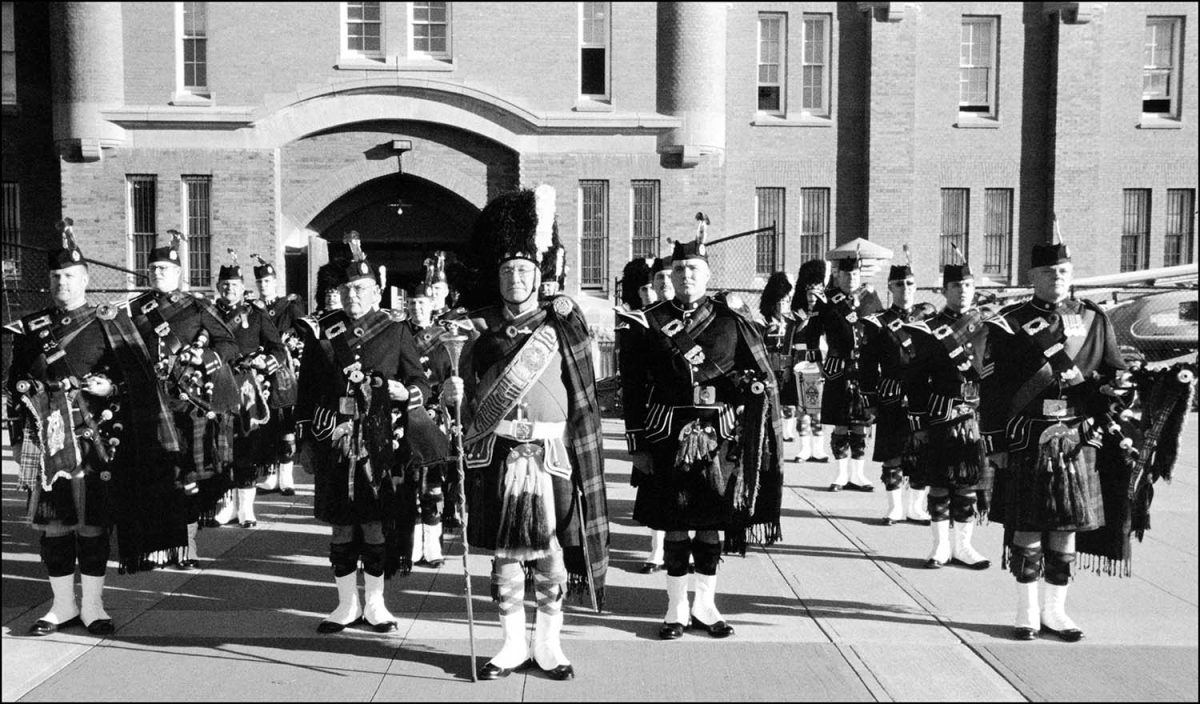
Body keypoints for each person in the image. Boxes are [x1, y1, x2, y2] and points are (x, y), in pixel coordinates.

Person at [441, 185, 609, 681]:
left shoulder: (564, 325)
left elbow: (583, 397)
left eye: (523, 270)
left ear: (539, 274)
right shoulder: (474, 329)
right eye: (507, 271)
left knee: (552, 551)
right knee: (505, 555)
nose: (515, 279)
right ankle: (512, 644)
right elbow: (461, 399)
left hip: (552, 453)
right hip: (498, 451)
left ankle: (549, 644)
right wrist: (452, 394)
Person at [7, 221, 186, 635]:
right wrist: (19, 437)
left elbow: (141, 381)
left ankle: (93, 606)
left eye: (70, 276)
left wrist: (111, 387)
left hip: (96, 442)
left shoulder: (108, 322)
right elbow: (13, 387)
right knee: (54, 526)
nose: (62, 283)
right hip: (48, 444)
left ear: (85, 280)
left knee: (92, 525)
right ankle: (62, 606)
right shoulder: (30, 330)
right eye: (56, 277)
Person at [620, 214, 784, 642]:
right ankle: (675, 607)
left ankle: (706, 605)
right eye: (678, 269)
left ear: (708, 275)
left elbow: (758, 374)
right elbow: (632, 389)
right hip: (666, 436)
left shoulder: (731, 319)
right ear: (669, 277)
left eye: (693, 268)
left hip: (719, 438)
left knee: (711, 523)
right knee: (674, 523)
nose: (686, 275)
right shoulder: (647, 322)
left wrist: (749, 388)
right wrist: (637, 444)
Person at [982, 236, 1127, 641]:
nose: (1057, 277)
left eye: (1063, 271)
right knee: (1027, 525)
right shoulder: (1009, 321)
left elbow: (1113, 371)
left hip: (1077, 436)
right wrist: (995, 444)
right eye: (1048, 272)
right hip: (1027, 435)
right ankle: (1026, 612)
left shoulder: (1094, 318)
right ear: (1032, 276)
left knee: (1067, 525)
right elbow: (992, 389)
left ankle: (1056, 611)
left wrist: (1117, 391)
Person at [294, 233, 431, 634]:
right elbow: (306, 392)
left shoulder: (395, 330)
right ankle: (345, 604)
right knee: (340, 524)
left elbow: (421, 382)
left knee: (373, 523)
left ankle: (375, 604)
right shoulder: (323, 333)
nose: (353, 296)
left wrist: (404, 392)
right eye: (347, 289)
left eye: (361, 289)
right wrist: (305, 441)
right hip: (334, 439)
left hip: (379, 443)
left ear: (376, 292)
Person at [128, 231, 239, 569]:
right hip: (149, 404)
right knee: (153, 478)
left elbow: (228, 344)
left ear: (178, 273)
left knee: (187, 479)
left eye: (164, 268)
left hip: (188, 405)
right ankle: (156, 548)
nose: (158, 273)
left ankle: (187, 545)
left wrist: (204, 358)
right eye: (153, 269)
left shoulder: (196, 307)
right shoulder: (135, 309)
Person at [904, 255, 992, 569]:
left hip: (975, 416)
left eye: (968, 285)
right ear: (944, 290)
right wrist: (918, 424)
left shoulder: (988, 326)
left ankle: (964, 547)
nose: (963, 290)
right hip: (941, 414)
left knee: (968, 484)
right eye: (956, 285)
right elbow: (915, 380)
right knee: (940, 483)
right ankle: (940, 546)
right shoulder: (927, 330)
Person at [211, 252, 288, 528]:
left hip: (246, 388)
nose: (229, 289)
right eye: (224, 285)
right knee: (221, 447)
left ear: (243, 288)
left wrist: (265, 362)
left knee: (246, 446)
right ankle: (226, 505)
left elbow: (278, 349)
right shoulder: (208, 314)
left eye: (234, 285)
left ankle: (246, 508)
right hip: (216, 386)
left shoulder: (255, 315)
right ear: (218, 286)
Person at [860, 251, 931, 526]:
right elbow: (867, 365)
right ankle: (895, 508)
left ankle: (916, 507)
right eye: (900, 284)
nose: (906, 289)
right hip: (892, 393)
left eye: (910, 284)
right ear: (890, 288)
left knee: (921, 451)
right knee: (892, 454)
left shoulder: (928, 319)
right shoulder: (877, 323)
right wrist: (869, 400)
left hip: (923, 394)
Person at [804, 253, 883, 491]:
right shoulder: (826, 300)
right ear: (838, 276)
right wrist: (817, 363)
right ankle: (840, 475)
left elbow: (881, 331)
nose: (851, 278)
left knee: (860, 424)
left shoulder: (870, 297)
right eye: (847, 274)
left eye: (855, 274)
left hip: (864, 369)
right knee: (840, 423)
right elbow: (812, 333)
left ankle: (858, 475)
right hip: (837, 368)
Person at [404, 265, 457, 568]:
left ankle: (433, 546)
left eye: (422, 303)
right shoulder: (399, 334)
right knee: (411, 482)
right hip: (407, 415)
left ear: (431, 304)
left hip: (435, 417)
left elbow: (451, 377)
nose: (417, 308)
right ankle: (412, 546)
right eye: (412, 303)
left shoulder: (444, 338)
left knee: (433, 484)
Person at [616, 256, 666, 574]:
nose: (650, 292)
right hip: (653, 413)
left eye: (654, 286)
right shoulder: (635, 322)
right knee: (656, 487)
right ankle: (657, 550)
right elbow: (631, 378)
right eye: (645, 287)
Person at [252, 254, 305, 497]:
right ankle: (271, 475)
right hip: (260, 371)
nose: (264, 286)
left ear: (275, 283)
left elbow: (304, 332)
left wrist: (292, 342)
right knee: (268, 424)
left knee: (286, 422)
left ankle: (286, 476)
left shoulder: (288, 306)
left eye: (267, 282)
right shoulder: (254, 309)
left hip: (283, 372)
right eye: (260, 282)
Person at [788, 259, 831, 463]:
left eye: (817, 294)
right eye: (810, 294)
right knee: (802, 411)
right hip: (801, 365)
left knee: (818, 412)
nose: (813, 298)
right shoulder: (798, 316)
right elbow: (789, 342)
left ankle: (819, 449)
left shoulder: (828, 315)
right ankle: (804, 449)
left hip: (821, 365)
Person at [759, 272, 798, 443]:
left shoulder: (792, 322)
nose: (783, 305)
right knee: (772, 400)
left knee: (789, 400)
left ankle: (788, 432)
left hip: (788, 365)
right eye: (779, 301)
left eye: (786, 301)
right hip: (771, 364)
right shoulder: (763, 323)